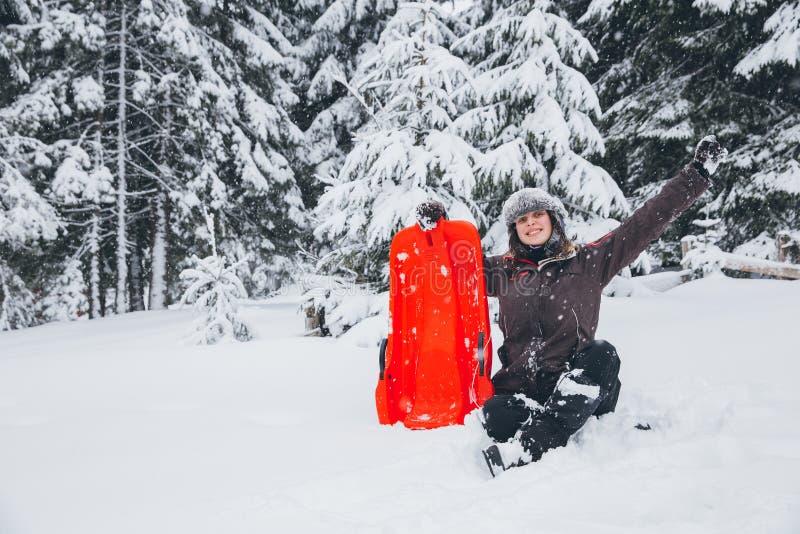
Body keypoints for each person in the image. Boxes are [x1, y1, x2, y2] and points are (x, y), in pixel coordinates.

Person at [472, 136, 728, 476]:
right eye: (522, 220)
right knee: (496, 415)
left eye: (537, 215)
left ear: (553, 220)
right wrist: (435, 228)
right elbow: (448, 264)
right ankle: (560, 427)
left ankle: (530, 447)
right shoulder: (502, 271)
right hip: (523, 388)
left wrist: (696, 175)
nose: (531, 223)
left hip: (577, 382)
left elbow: (644, 224)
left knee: (602, 353)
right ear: (514, 230)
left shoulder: (589, 262)